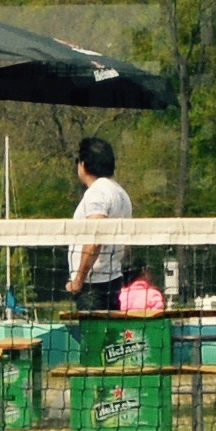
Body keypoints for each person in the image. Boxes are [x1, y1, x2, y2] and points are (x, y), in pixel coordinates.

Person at [64, 136, 134, 317]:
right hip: (113, 280)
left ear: (84, 164)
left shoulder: (97, 192)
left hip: (93, 286)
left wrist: (79, 279)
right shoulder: (121, 194)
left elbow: (95, 240)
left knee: (94, 343)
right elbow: (126, 247)